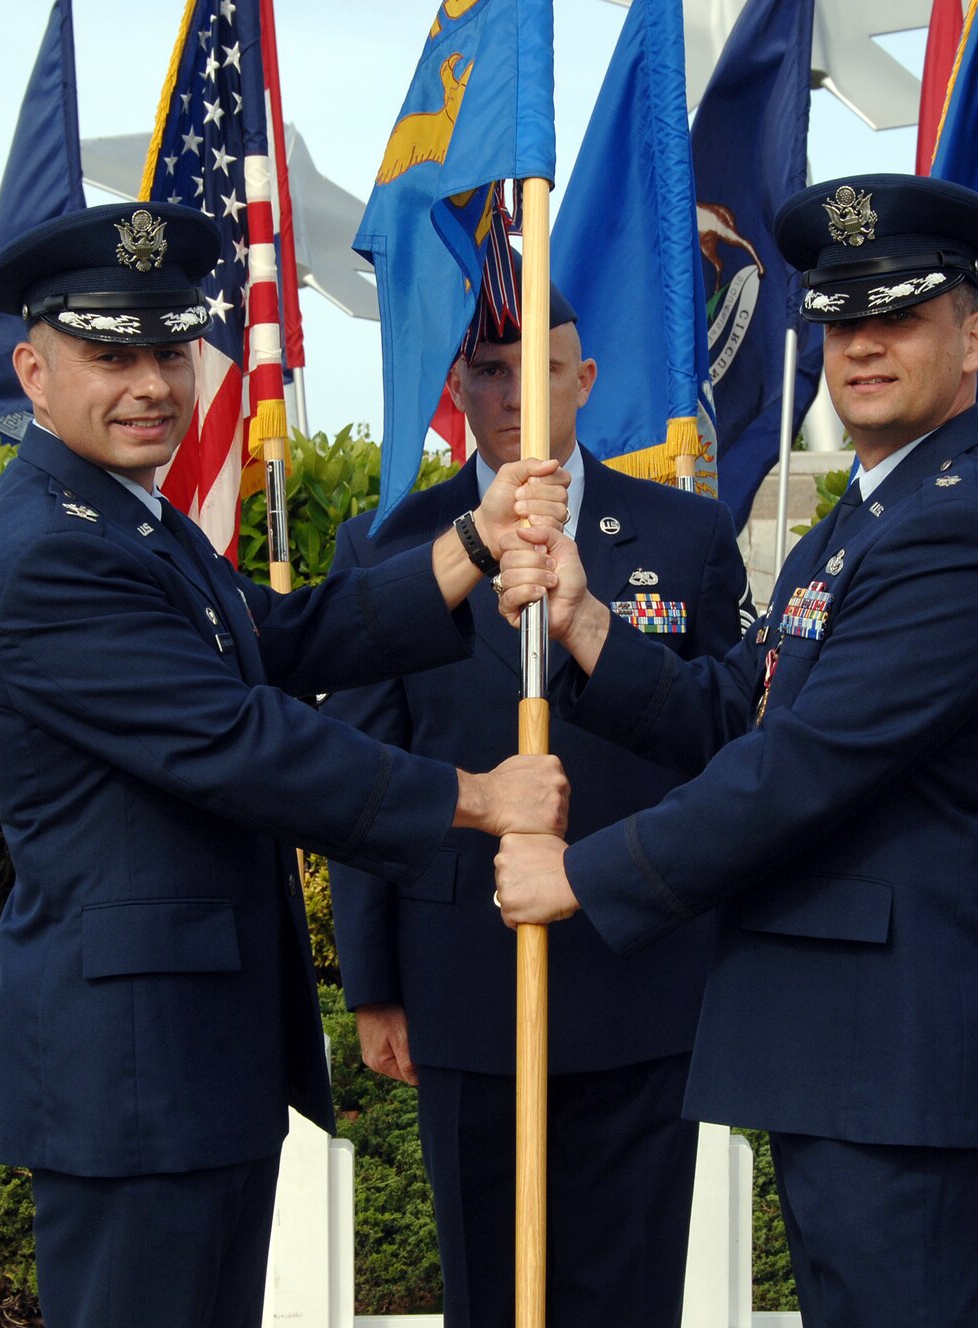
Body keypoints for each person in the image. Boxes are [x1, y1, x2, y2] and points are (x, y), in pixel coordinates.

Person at [0, 202, 570, 1328]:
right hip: (134, 1071)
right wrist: (478, 798)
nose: (150, 385)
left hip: (186, 1057)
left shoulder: (127, 520)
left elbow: (276, 637)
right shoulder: (53, 554)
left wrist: (472, 543)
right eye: (111, 357)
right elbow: (237, 739)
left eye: (168, 350)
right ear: (33, 373)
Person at [492, 175, 978, 1327]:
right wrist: (584, 621)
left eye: (897, 317)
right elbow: (739, 707)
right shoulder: (861, 519)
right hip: (853, 1050)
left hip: (906, 1053)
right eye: (840, 319)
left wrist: (581, 874)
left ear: (972, 339)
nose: (860, 346)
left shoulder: (957, 529)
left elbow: (795, 770)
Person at [323, 276, 750, 1328]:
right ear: (455, 385)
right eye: (490, 371)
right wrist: (373, 982)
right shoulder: (389, 545)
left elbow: (731, 745)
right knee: (486, 1291)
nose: (518, 395)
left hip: (640, 973)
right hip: (461, 979)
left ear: (585, 377)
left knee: (628, 1292)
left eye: (544, 369)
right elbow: (362, 773)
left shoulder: (685, 535)